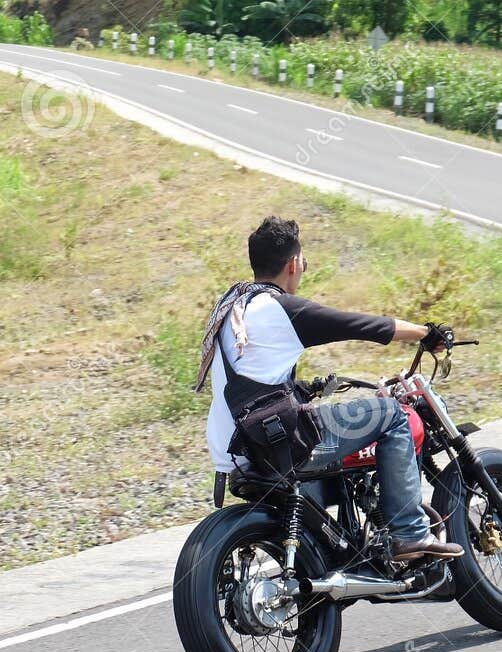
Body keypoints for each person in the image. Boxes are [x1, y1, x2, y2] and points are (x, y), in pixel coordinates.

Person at [196, 215, 463, 561]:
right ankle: (409, 535)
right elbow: (360, 325)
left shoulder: (234, 306)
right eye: (303, 262)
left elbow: (257, 379)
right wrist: (426, 333)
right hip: (276, 442)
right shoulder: (279, 309)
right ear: (293, 264)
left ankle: (334, 549)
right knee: (394, 416)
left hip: (235, 450)